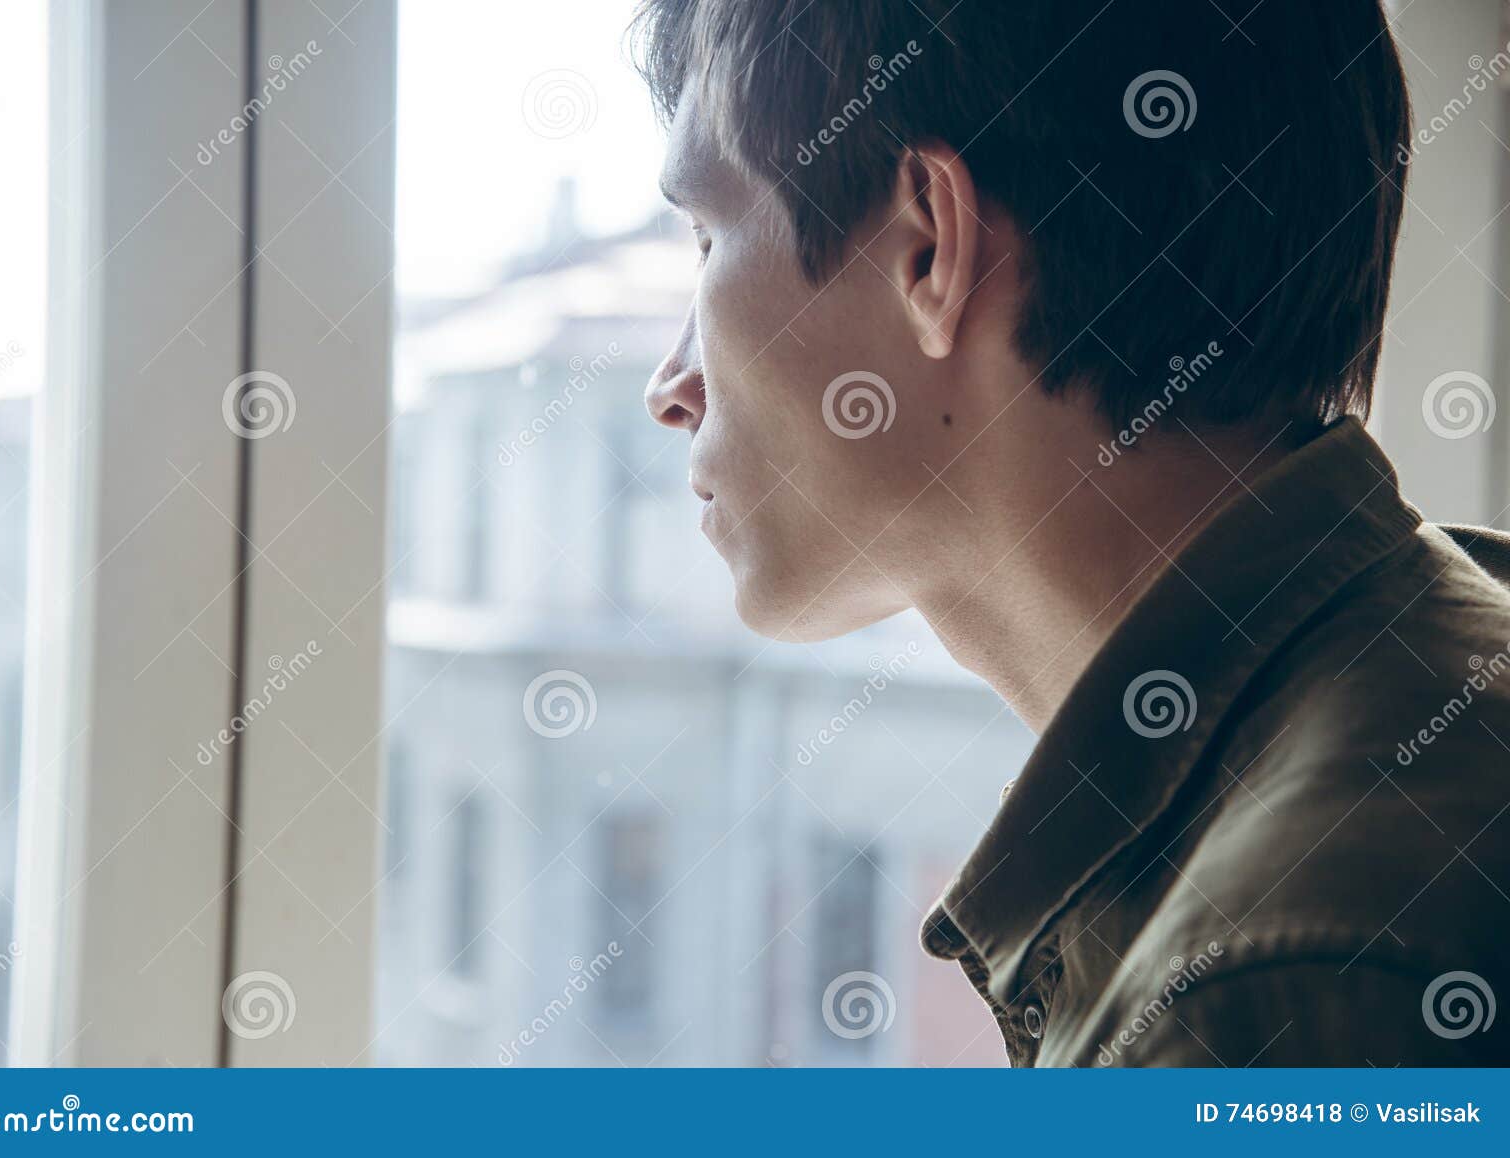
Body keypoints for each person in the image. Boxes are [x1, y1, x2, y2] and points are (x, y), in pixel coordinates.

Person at [636, 0, 1509, 1065]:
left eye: (707, 237)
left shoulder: (1264, 994)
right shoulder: (1434, 665)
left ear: (928, 249)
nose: (669, 387)